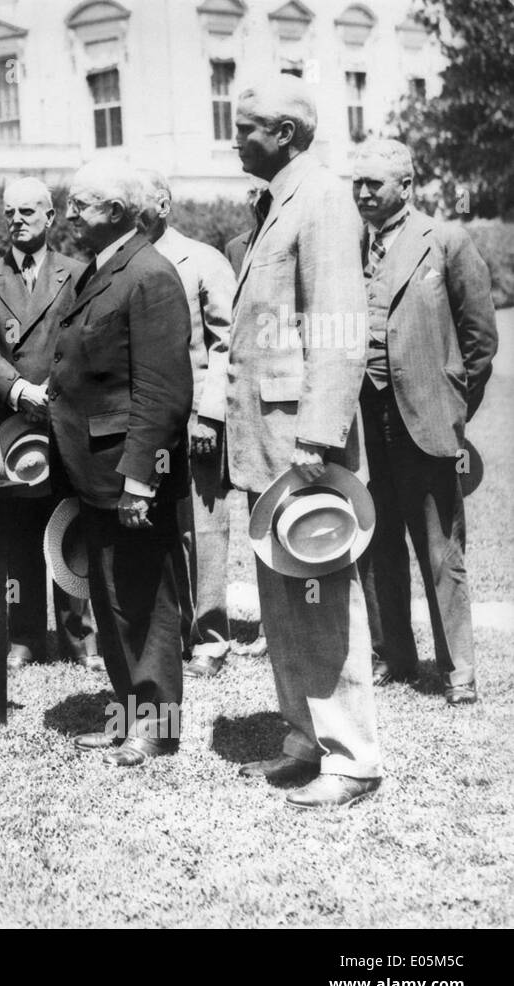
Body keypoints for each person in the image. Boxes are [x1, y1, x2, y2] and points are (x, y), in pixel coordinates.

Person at [201, 75, 382, 808]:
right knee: (282, 595)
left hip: (300, 441)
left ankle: (353, 757)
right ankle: (305, 737)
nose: (235, 139)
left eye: (247, 128)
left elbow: (338, 322)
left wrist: (316, 435)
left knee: (321, 593)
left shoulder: (325, 199)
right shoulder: (276, 201)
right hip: (262, 439)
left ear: (287, 134)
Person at [51, 160, 193, 768]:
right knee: (110, 601)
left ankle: (157, 729)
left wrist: (142, 478)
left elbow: (163, 394)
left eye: (80, 205)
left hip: (127, 473)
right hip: (93, 469)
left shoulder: (150, 275)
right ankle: (127, 717)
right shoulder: (102, 270)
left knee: (144, 600)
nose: (69, 215)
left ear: (115, 211)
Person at [350, 138, 498, 706]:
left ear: (406, 187)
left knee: (440, 548)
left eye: (375, 184)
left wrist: (453, 410)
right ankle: (394, 656)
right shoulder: (347, 246)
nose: (363, 193)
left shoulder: (447, 240)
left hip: (427, 421)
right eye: (356, 183)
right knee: (376, 540)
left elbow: (481, 342)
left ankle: (459, 670)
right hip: (365, 420)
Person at [0, 176, 99, 670]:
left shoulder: (81, 274)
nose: (17, 221)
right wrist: (21, 391)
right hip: (11, 427)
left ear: (50, 217)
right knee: (17, 529)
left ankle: (78, 635)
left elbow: (89, 344)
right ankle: (22, 636)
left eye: (27, 212)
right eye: (9, 213)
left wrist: (55, 394)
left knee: (71, 525)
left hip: (65, 421)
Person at [137, 169, 237, 680]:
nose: (132, 207)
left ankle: (211, 639)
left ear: (164, 203)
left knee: (204, 529)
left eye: (141, 198)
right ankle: (167, 632)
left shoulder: (203, 260)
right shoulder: (122, 262)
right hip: (147, 425)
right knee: (155, 526)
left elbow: (226, 344)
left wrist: (211, 415)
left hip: (197, 422)